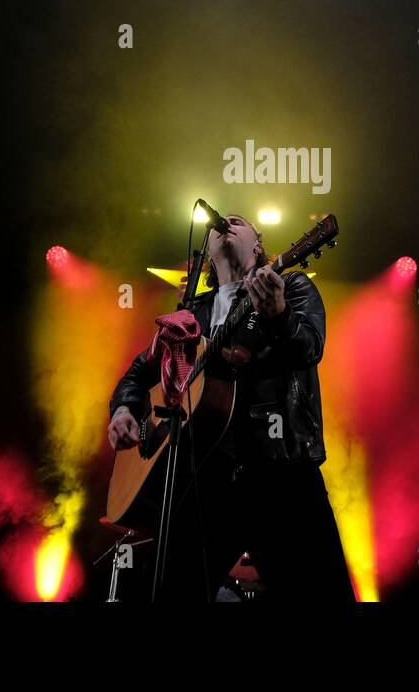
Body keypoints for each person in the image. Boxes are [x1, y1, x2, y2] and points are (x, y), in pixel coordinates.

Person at [108, 213, 355, 601]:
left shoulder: (289, 285)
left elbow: (309, 348)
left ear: (257, 245)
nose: (226, 223)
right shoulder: (191, 315)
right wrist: (124, 411)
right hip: (205, 479)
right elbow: (139, 372)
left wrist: (280, 317)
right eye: (222, 224)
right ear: (208, 252)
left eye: (238, 222)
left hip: (281, 473)